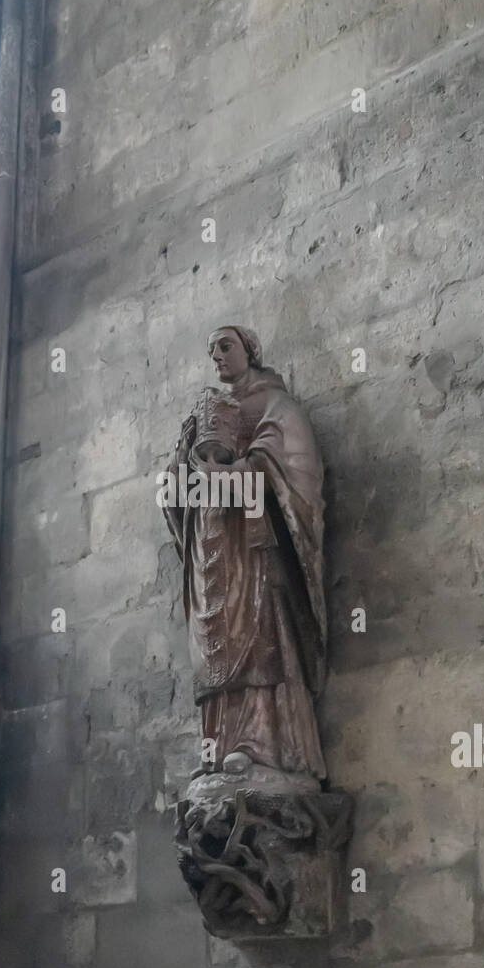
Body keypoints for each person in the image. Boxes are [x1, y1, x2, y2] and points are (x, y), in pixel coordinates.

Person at [163, 326, 328, 784]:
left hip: (253, 548)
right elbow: (176, 488)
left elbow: (291, 465)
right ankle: (217, 746)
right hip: (210, 542)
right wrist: (184, 463)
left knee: (255, 636)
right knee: (214, 642)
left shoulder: (276, 406)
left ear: (250, 351)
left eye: (224, 345)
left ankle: (262, 746)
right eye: (210, 348)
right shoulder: (204, 413)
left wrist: (238, 471)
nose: (215, 355)